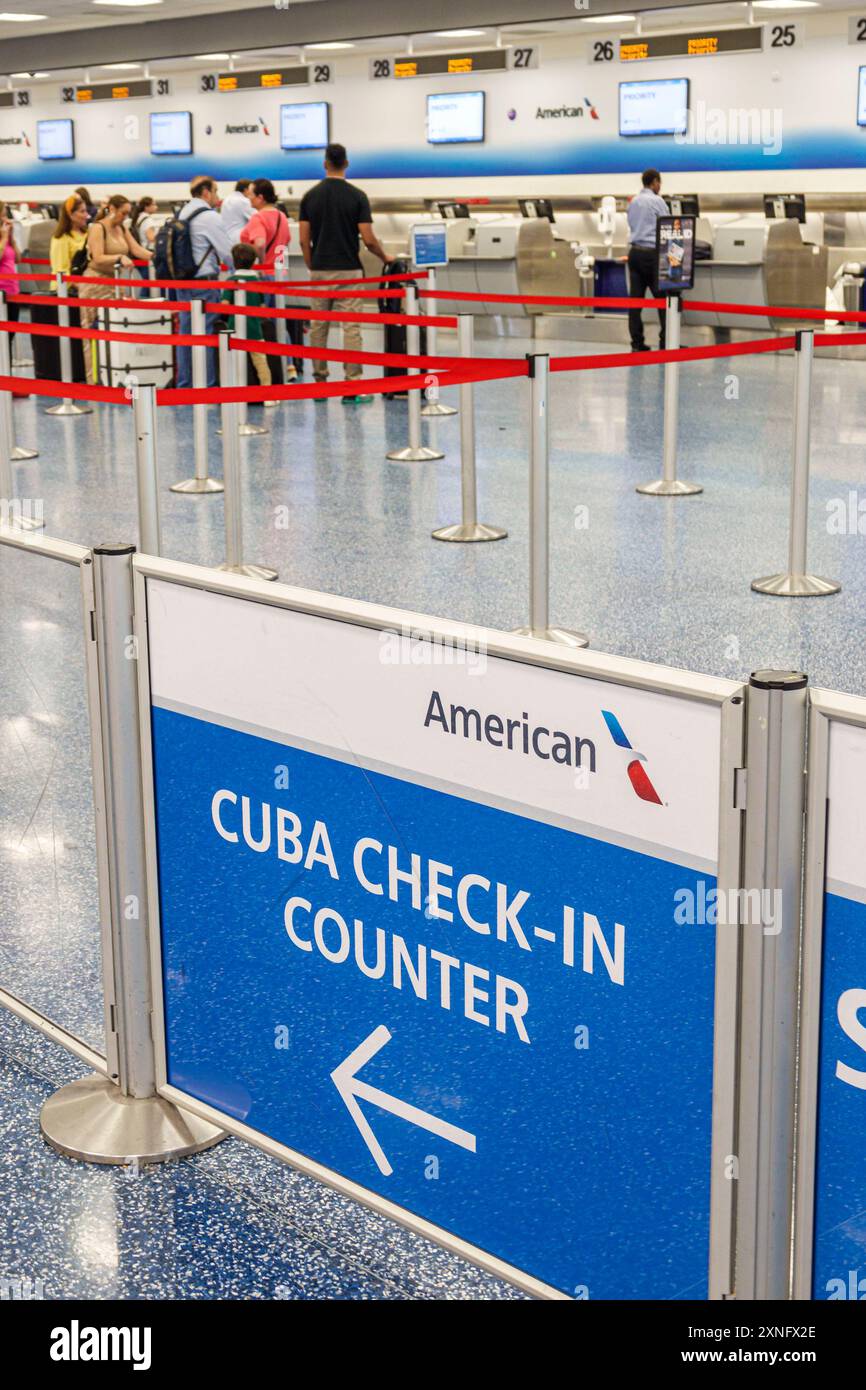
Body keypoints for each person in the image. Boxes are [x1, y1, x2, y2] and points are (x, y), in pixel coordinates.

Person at [298, 143, 390, 405]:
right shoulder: (357, 196)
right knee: (350, 326)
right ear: (346, 164)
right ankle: (352, 385)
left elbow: (304, 239)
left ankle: (319, 383)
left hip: (319, 269)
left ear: (325, 164)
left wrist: (312, 265)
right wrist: (385, 257)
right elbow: (369, 239)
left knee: (319, 326)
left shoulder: (310, 196)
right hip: (349, 269)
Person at [78, 194, 152, 384]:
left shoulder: (122, 228)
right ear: (112, 209)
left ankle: (110, 376)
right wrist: (118, 258)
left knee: (112, 332)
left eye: (128, 214)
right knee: (91, 332)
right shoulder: (97, 227)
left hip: (114, 285)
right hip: (94, 285)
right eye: (123, 213)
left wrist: (159, 256)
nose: (125, 217)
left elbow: (137, 251)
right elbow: (97, 257)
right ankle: (92, 379)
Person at [174, 175, 234, 390]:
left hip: (183, 283)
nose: (217, 197)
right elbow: (227, 254)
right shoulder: (210, 217)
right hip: (205, 284)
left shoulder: (182, 213)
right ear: (206, 192)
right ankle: (206, 386)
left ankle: (185, 384)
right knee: (206, 335)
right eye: (216, 192)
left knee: (185, 334)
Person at [222, 242, 296, 405]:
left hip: (234, 328)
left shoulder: (231, 280)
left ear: (233, 261)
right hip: (255, 329)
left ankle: (234, 394)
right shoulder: (257, 281)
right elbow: (262, 306)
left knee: (233, 362)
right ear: (254, 261)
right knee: (261, 363)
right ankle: (267, 395)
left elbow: (225, 304)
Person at [626, 167, 668, 352]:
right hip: (653, 255)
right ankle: (666, 341)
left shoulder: (633, 202)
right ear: (655, 182)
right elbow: (668, 225)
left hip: (634, 254)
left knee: (635, 302)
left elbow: (631, 224)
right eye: (659, 183)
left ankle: (637, 343)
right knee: (664, 300)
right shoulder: (657, 201)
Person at [240, 178, 289, 269]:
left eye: (251, 194)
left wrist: (261, 266)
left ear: (260, 198)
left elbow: (260, 244)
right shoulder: (282, 216)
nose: (248, 197)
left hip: (265, 272)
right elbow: (286, 242)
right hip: (281, 271)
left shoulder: (258, 218)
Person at [50, 195, 89, 276]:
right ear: (70, 214)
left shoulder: (87, 233)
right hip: (66, 286)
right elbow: (61, 270)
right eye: (82, 211)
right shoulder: (61, 238)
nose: (87, 215)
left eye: (86, 211)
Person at [0, 201, 20, 322]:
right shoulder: (3, 238)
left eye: (6, 215)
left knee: (11, 332)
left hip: (12, 290)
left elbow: (18, 259)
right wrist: (4, 238)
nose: (6, 219)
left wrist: (11, 239)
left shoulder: (7, 239)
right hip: (1, 292)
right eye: (3, 216)